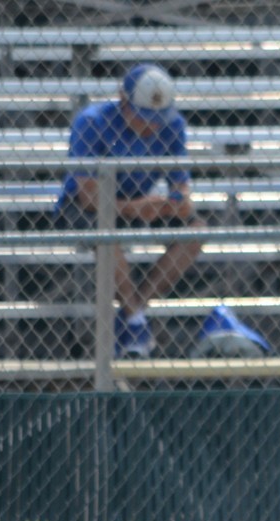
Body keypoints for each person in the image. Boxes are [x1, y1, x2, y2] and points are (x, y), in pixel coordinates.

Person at [55, 63, 203, 358]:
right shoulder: (92, 121)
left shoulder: (171, 124)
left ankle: (133, 315)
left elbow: (182, 189)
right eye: (144, 117)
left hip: (139, 201)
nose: (152, 126)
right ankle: (135, 320)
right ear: (123, 100)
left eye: (157, 118)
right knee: (106, 233)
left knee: (196, 232)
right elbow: (87, 196)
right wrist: (134, 209)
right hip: (87, 207)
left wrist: (172, 203)